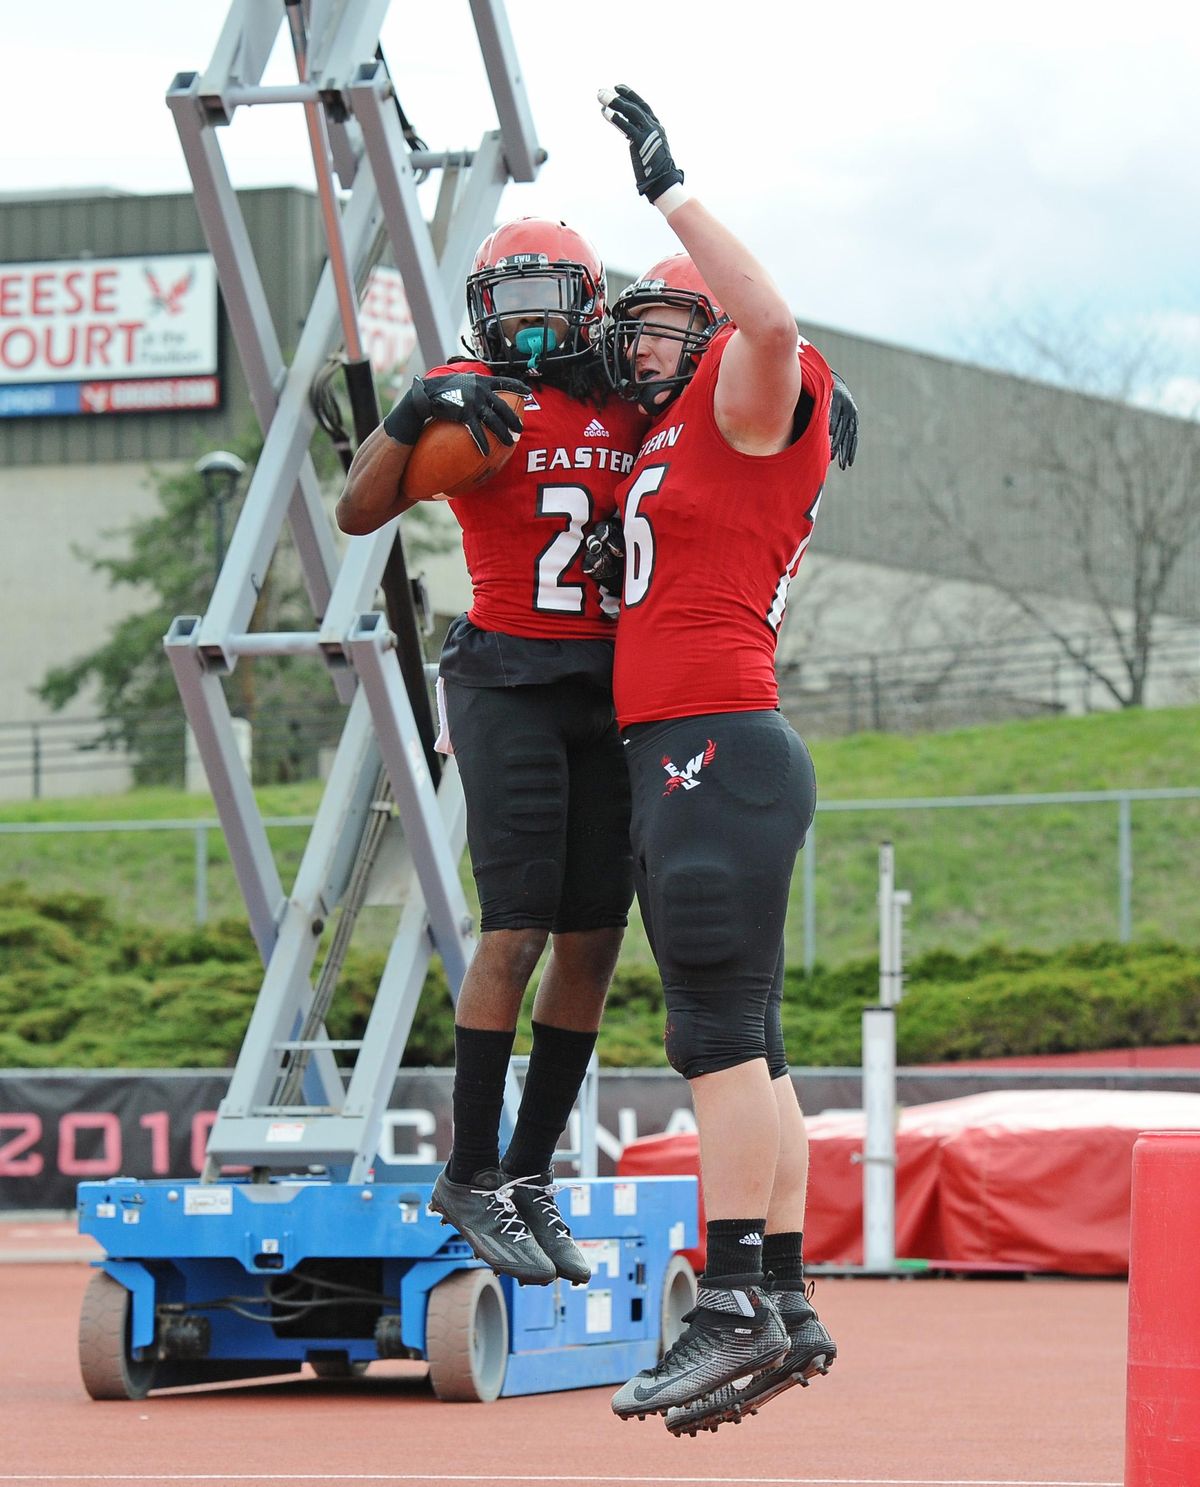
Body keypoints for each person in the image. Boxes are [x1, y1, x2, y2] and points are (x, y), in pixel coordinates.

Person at [590, 86, 856, 1432]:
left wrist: (670, 186)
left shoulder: (751, 393)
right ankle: (790, 1295)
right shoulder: (674, 431)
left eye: (658, 326)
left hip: (717, 745)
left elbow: (774, 325)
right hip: (686, 749)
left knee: (711, 1036)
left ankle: (734, 1293)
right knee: (749, 1043)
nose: (643, 352)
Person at [337, 217, 648, 1288]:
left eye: (548, 299)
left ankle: (526, 1171)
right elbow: (356, 506)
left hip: (613, 685)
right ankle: (468, 1167)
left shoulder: (625, 384)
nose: (527, 322)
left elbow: (716, 375)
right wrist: (410, 407)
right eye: (509, 300)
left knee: (597, 937)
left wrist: (794, 375)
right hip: (509, 677)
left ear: (589, 302)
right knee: (513, 927)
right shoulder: (472, 394)